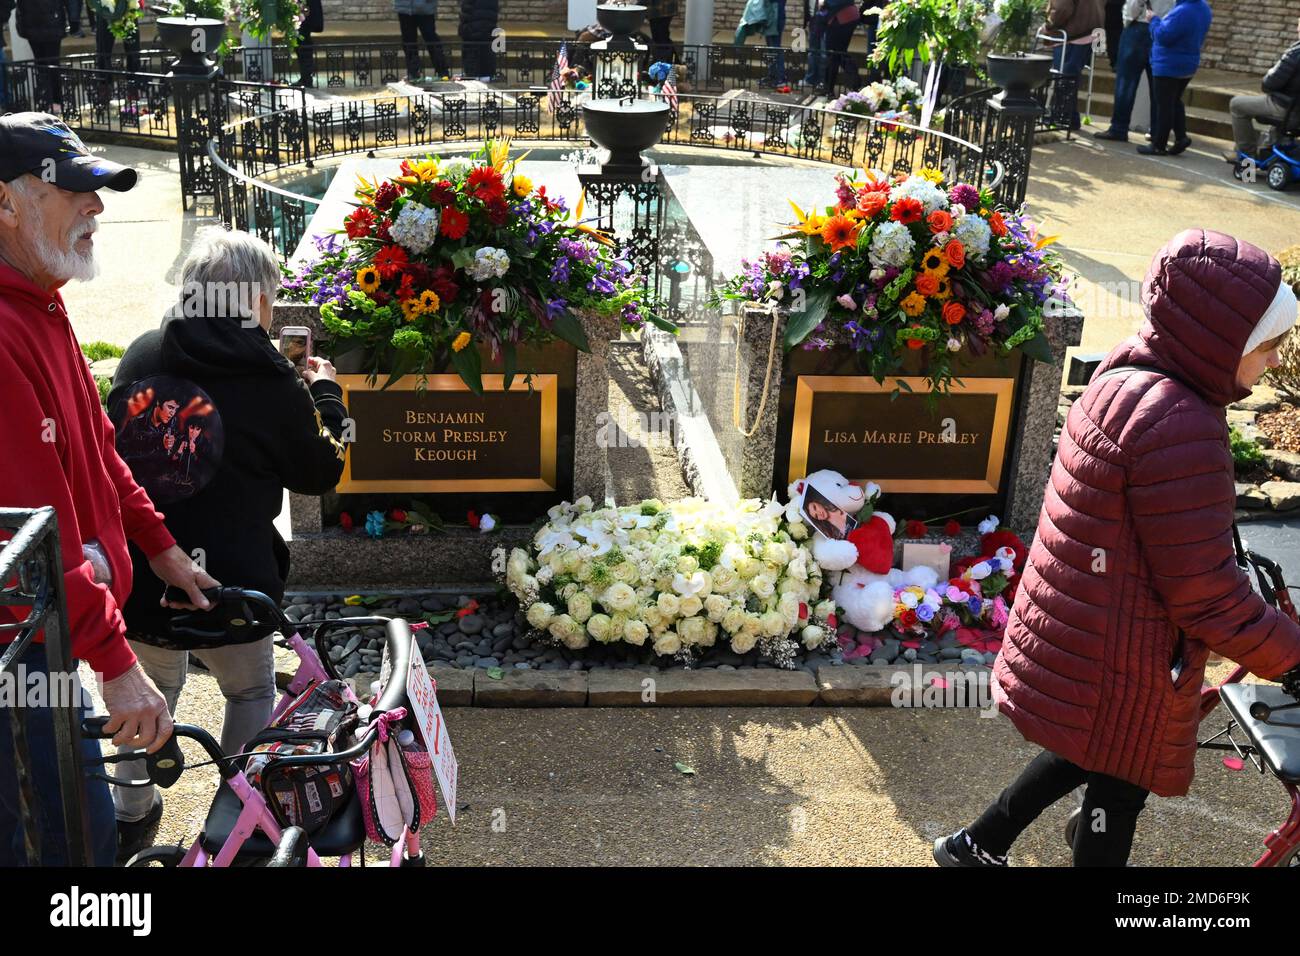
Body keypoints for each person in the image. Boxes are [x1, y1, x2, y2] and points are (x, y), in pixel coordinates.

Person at [934, 229, 1300, 868]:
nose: (1273, 362)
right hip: (1131, 649)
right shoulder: (1180, 422)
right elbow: (1206, 592)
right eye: (1267, 346)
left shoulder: (1130, 371)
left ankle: (978, 844)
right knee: (1119, 780)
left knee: (1089, 746)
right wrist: (1292, 657)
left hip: (1089, 627)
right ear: (1223, 338)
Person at [0, 113, 218, 867]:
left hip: (48, 640)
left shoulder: (39, 299)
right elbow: (32, 532)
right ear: (6, 205)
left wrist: (161, 548)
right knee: (69, 846)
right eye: (77, 190)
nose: (97, 207)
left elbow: (98, 452)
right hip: (21, 651)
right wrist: (119, 668)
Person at [108, 227, 348, 862]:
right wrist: (324, 396)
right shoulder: (273, 379)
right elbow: (320, 473)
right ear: (256, 300)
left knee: (150, 698)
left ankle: (131, 812)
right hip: (234, 585)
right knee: (248, 693)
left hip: (146, 576)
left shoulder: (142, 355)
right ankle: (234, 815)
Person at [1138, 0, 1211, 156]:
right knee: (1174, 101)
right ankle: (1181, 137)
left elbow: (1162, 36)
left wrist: (1154, 20)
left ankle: (1159, 144)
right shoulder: (1203, 7)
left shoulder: (1182, 11)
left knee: (1164, 105)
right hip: (1188, 63)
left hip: (1168, 64)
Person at [1093, 0, 1173, 143]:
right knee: (1158, 84)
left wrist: (1128, 18)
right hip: (1165, 27)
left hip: (1140, 26)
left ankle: (1119, 128)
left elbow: (1135, 5)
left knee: (1126, 82)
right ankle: (1157, 132)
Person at [1224, 16, 1300, 164]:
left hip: (1286, 108)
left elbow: (1269, 84)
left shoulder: (1295, 53)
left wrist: (1271, 73)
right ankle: (1269, 149)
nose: (1297, 29)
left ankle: (1247, 157)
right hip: (1296, 110)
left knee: (1237, 104)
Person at [1044, 0, 1105, 131]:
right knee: (1070, 76)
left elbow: (1061, 8)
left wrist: (1048, 25)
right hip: (1094, 31)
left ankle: (1064, 117)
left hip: (1075, 33)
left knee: (1064, 77)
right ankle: (1069, 117)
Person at [2, 0, 68, 109]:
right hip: (41, 22)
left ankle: (51, 99)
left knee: (45, 65)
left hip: (39, 22)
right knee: (46, 65)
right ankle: (51, 99)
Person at [394, 0, 449, 85]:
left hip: (425, 8)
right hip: (405, 8)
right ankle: (413, 72)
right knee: (409, 41)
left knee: (431, 38)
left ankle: (442, 71)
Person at [818, 0, 860, 95]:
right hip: (846, 16)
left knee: (835, 54)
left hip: (842, 18)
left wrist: (824, 3)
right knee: (838, 53)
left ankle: (829, 89)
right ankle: (854, 83)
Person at [459, 0, 498, 81]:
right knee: (486, 61)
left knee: (473, 63)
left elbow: (467, 11)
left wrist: (464, 29)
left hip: (472, 33)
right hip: (486, 31)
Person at [295, 0, 324, 87]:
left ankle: (307, 79)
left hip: (307, 20)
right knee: (301, 47)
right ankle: (305, 77)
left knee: (304, 48)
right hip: (304, 20)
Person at [801, 0, 827, 90]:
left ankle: (822, 81)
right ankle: (810, 79)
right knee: (812, 52)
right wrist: (806, 23)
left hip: (826, 23)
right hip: (813, 23)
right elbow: (808, 8)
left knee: (824, 53)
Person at [645, 0, 677, 65]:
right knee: (662, 37)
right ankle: (673, 63)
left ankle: (663, 63)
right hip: (661, 9)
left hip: (660, 9)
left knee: (660, 38)